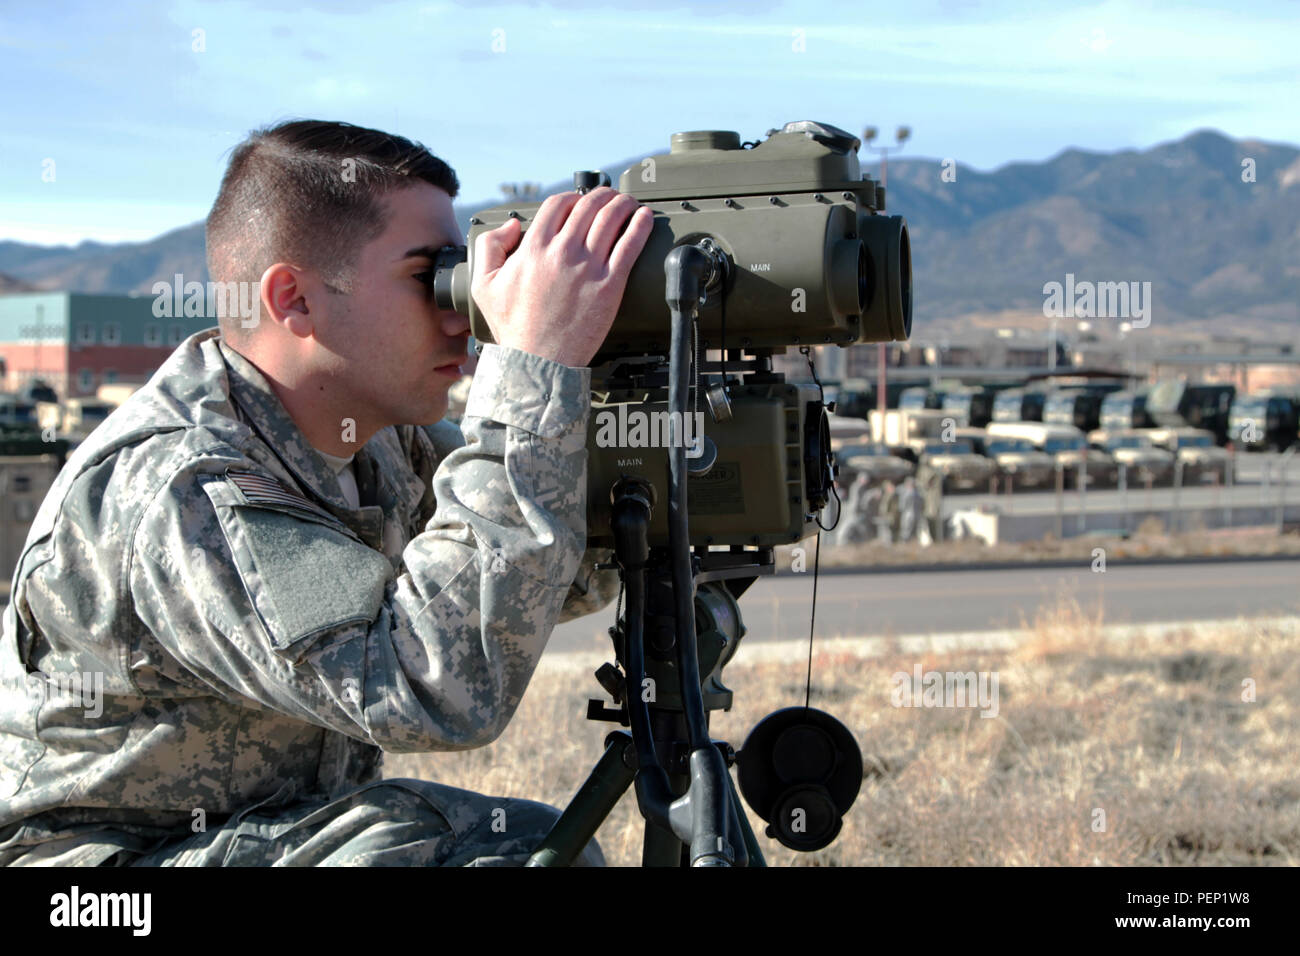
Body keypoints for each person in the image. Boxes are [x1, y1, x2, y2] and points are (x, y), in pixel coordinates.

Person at [0, 120, 654, 866]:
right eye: (428, 275)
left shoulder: (370, 441)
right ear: (296, 301)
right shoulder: (186, 487)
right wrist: (534, 367)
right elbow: (429, 682)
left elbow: (519, 580)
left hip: (256, 831)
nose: (461, 314)